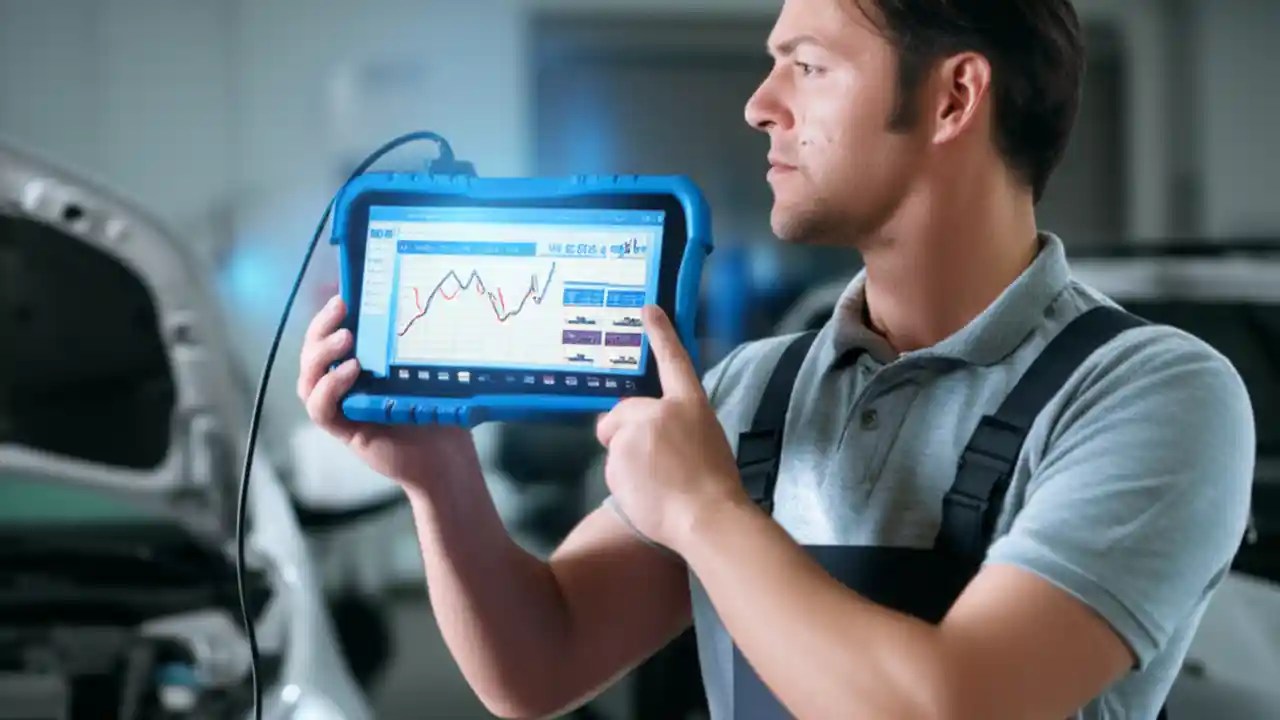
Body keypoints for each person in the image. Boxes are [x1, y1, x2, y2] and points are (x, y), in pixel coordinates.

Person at [297, 0, 1256, 717]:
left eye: (806, 65)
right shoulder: (753, 391)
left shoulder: (1151, 393)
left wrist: (705, 510)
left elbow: (957, 707)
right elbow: (537, 662)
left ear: (954, 96)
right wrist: (438, 479)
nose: (760, 106)